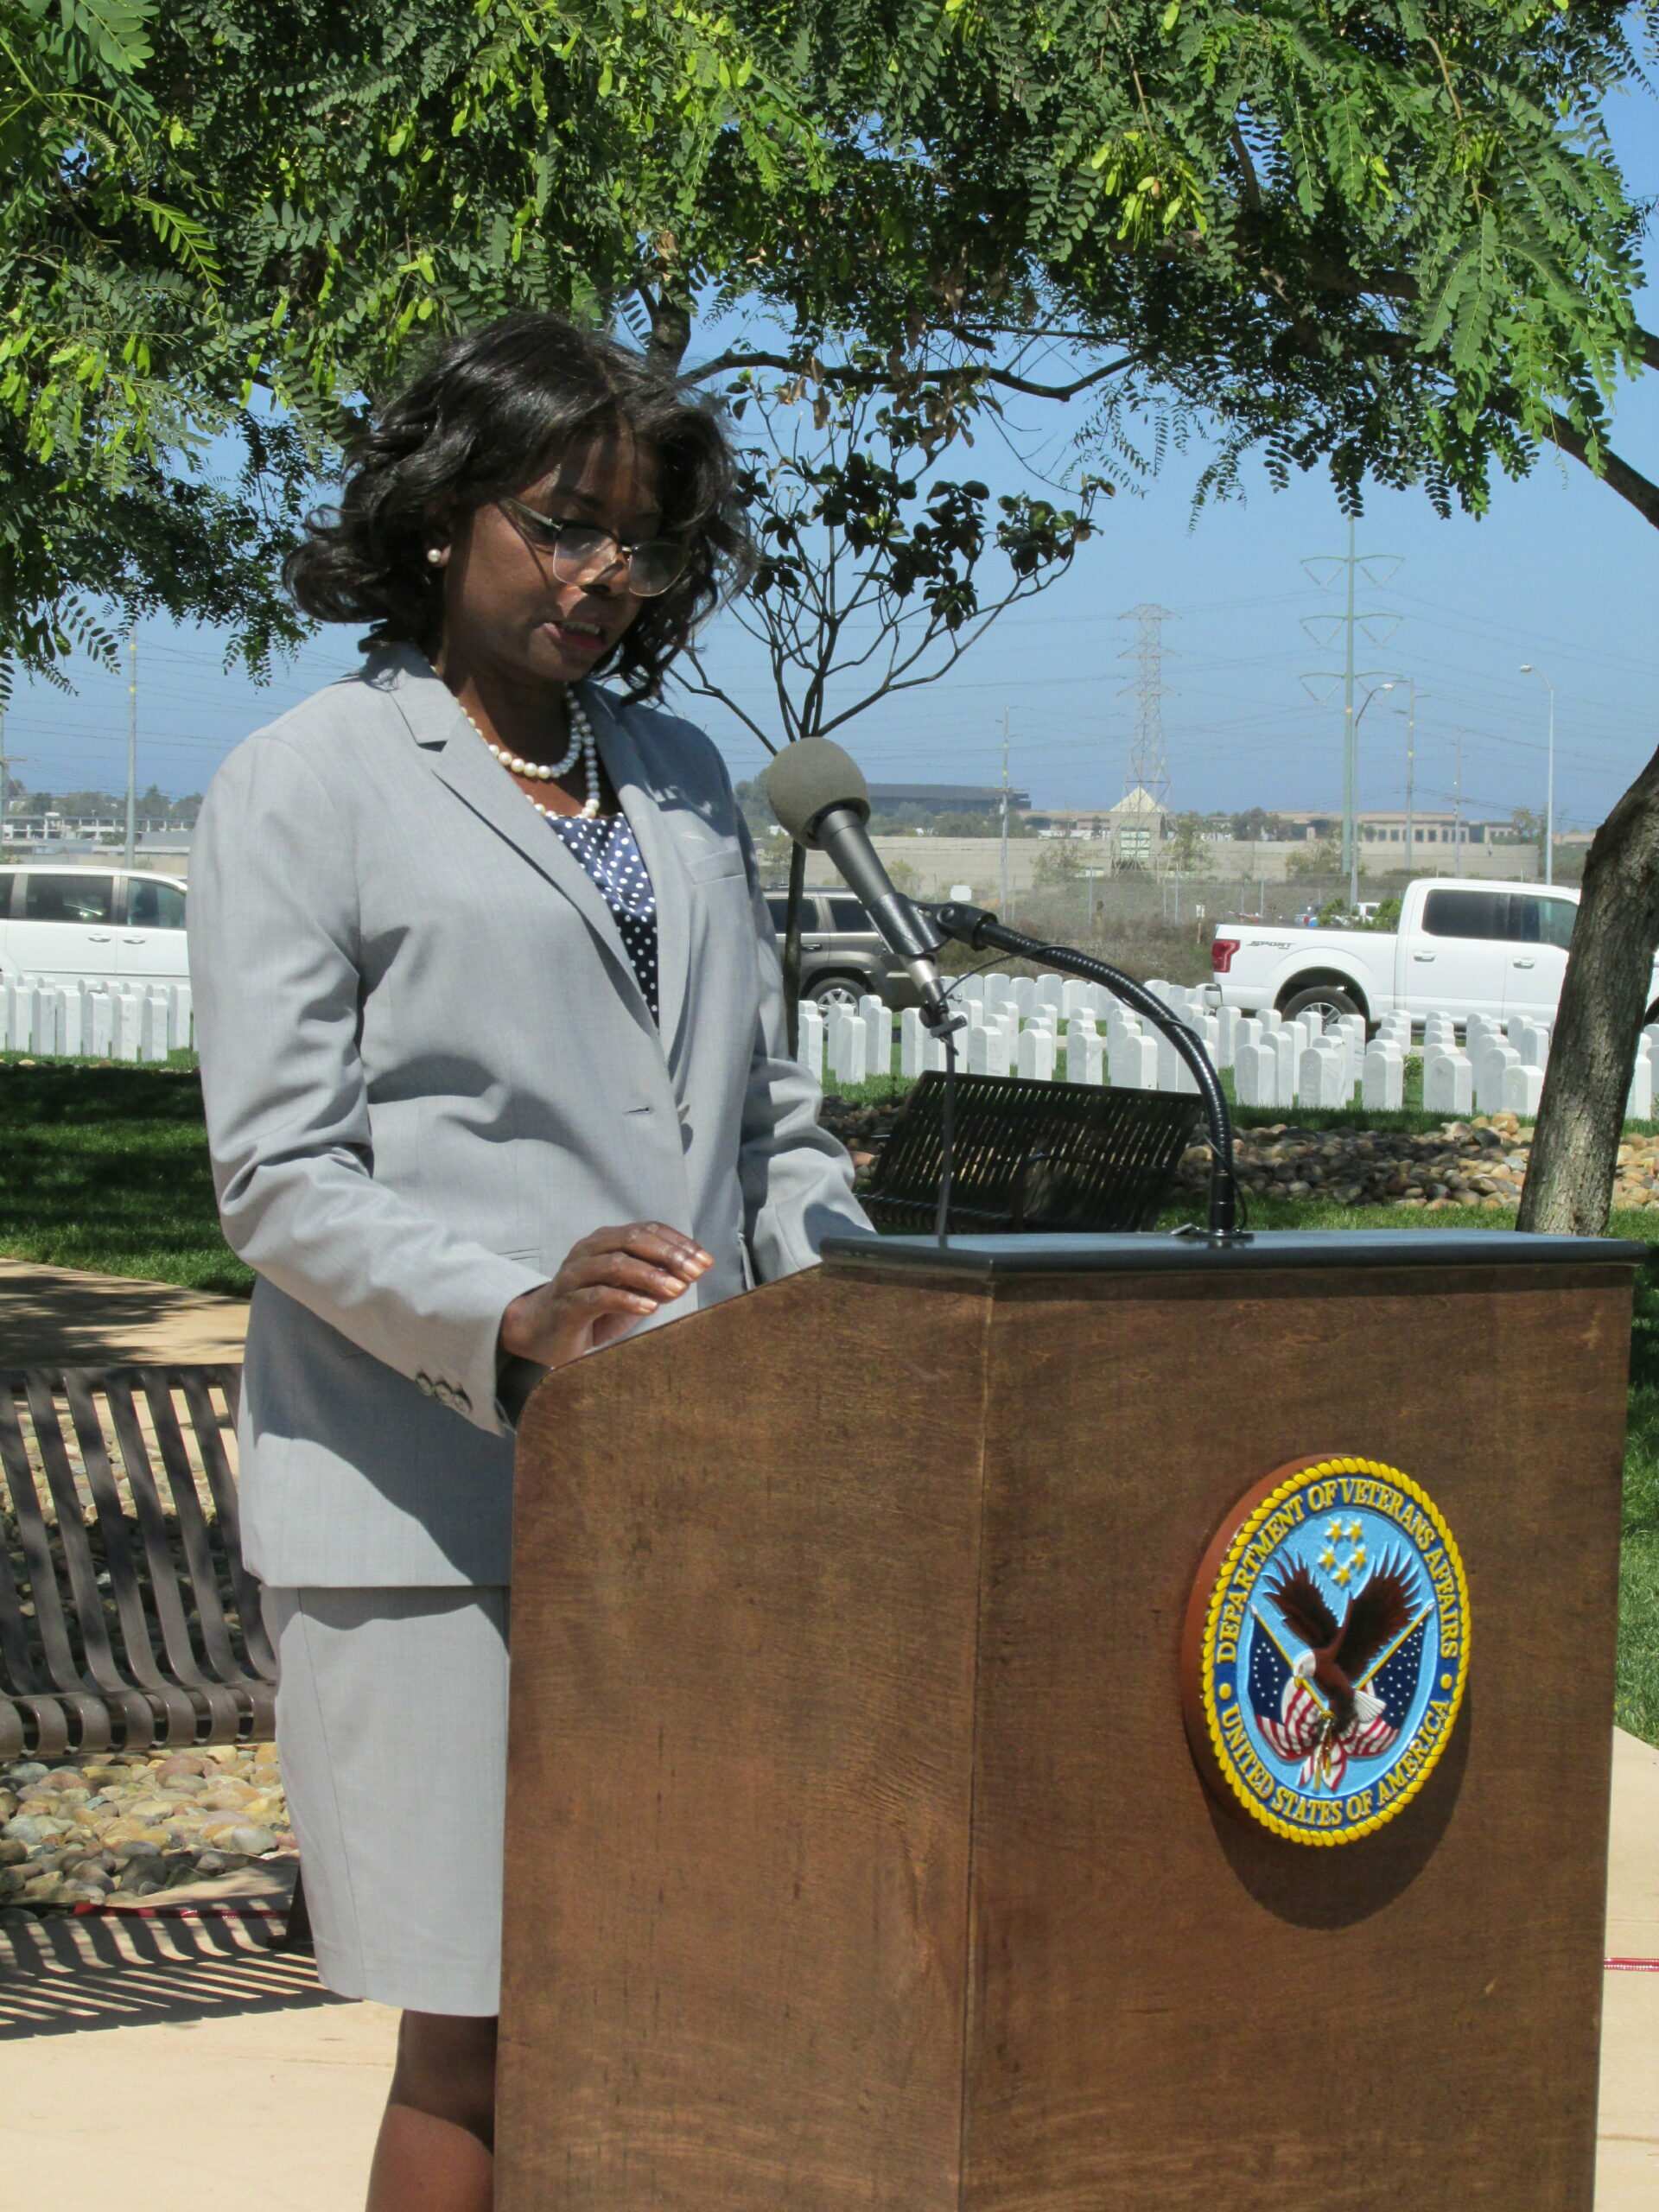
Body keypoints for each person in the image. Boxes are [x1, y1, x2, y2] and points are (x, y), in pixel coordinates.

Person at [188, 312, 872, 2211]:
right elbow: (279, 1172)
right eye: (559, 523)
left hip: (695, 1499)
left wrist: (864, 1294)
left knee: (663, 1999)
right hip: (433, 1515)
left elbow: (763, 1119)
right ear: (440, 516)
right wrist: (507, 1315)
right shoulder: (307, 780)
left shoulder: (680, 777)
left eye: (634, 540)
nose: (599, 575)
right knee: (480, 2028)